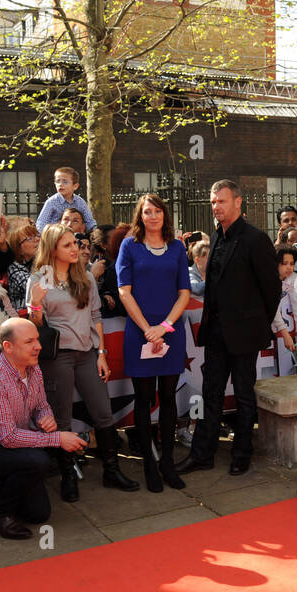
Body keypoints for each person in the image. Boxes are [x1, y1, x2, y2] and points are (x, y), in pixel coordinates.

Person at [174, 180, 280, 478]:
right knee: (211, 393)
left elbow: (271, 291)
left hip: (244, 335)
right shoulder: (217, 238)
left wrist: (254, 325)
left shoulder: (256, 239)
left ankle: (242, 454)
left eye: (221, 201)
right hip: (216, 332)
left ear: (238, 202)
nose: (216, 207)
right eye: (213, 202)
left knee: (245, 396)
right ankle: (202, 454)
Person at [26, 224, 138, 500]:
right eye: (67, 245)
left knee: (103, 412)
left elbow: (96, 317)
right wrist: (35, 306)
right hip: (57, 357)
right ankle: (68, 476)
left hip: (87, 353)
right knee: (61, 419)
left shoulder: (85, 277)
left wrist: (101, 354)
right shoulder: (39, 280)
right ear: (52, 249)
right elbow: (34, 327)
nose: (75, 248)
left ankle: (111, 470)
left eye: (75, 243)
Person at [0, 317, 89, 539]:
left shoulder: (33, 368)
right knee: (38, 461)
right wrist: (58, 438)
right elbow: (8, 438)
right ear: (8, 347)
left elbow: (41, 404)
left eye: (37, 340)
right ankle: (0, 515)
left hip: (9, 447)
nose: (39, 346)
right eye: (30, 341)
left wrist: (46, 418)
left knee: (38, 514)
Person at [116, 194, 191, 492]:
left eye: (158, 211)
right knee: (145, 399)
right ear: (140, 216)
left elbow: (184, 292)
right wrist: (148, 329)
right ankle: (149, 462)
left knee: (169, 397)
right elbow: (124, 291)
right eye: (147, 212)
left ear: (165, 215)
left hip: (170, 330)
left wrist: (165, 327)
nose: (153, 216)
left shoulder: (176, 247)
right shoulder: (129, 246)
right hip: (139, 332)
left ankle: (168, 462)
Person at [36, 166, 95, 232]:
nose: (60, 184)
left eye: (65, 182)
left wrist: (94, 230)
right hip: (56, 236)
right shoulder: (51, 202)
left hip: (75, 236)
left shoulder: (80, 202)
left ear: (75, 186)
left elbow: (89, 221)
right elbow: (41, 223)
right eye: (58, 181)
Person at [6, 222, 41, 309]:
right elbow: (39, 288)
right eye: (29, 238)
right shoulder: (14, 269)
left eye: (37, 235)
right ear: (19, 249)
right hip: (24, 317)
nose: (36, 239)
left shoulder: (35, 260)